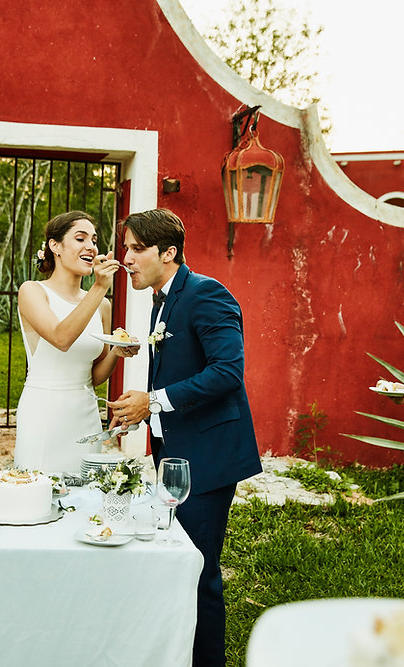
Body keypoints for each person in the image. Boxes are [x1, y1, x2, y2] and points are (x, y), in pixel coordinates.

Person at [109, 208, 262, 667]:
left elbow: (226, 373)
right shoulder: (162, 299)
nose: (127, 259)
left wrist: (152, 401)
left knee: (198, 569)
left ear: (168, 252)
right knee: (179, 563)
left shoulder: (207, 294)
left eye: (137, 249)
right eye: (127, 248)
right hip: (177, 452)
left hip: (210, 456)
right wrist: (145, 418)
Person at [14, 210, 139, 476]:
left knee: (85, 497)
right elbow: (61, 338)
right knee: (37, 495)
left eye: (94, 240)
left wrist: (116, 351)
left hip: (86, 416)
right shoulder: (33, 291)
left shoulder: (101, 306)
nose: (91, 247)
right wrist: (99, 287)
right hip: (44, 413)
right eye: (80, 239)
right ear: (55, 246)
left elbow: (94, 377)